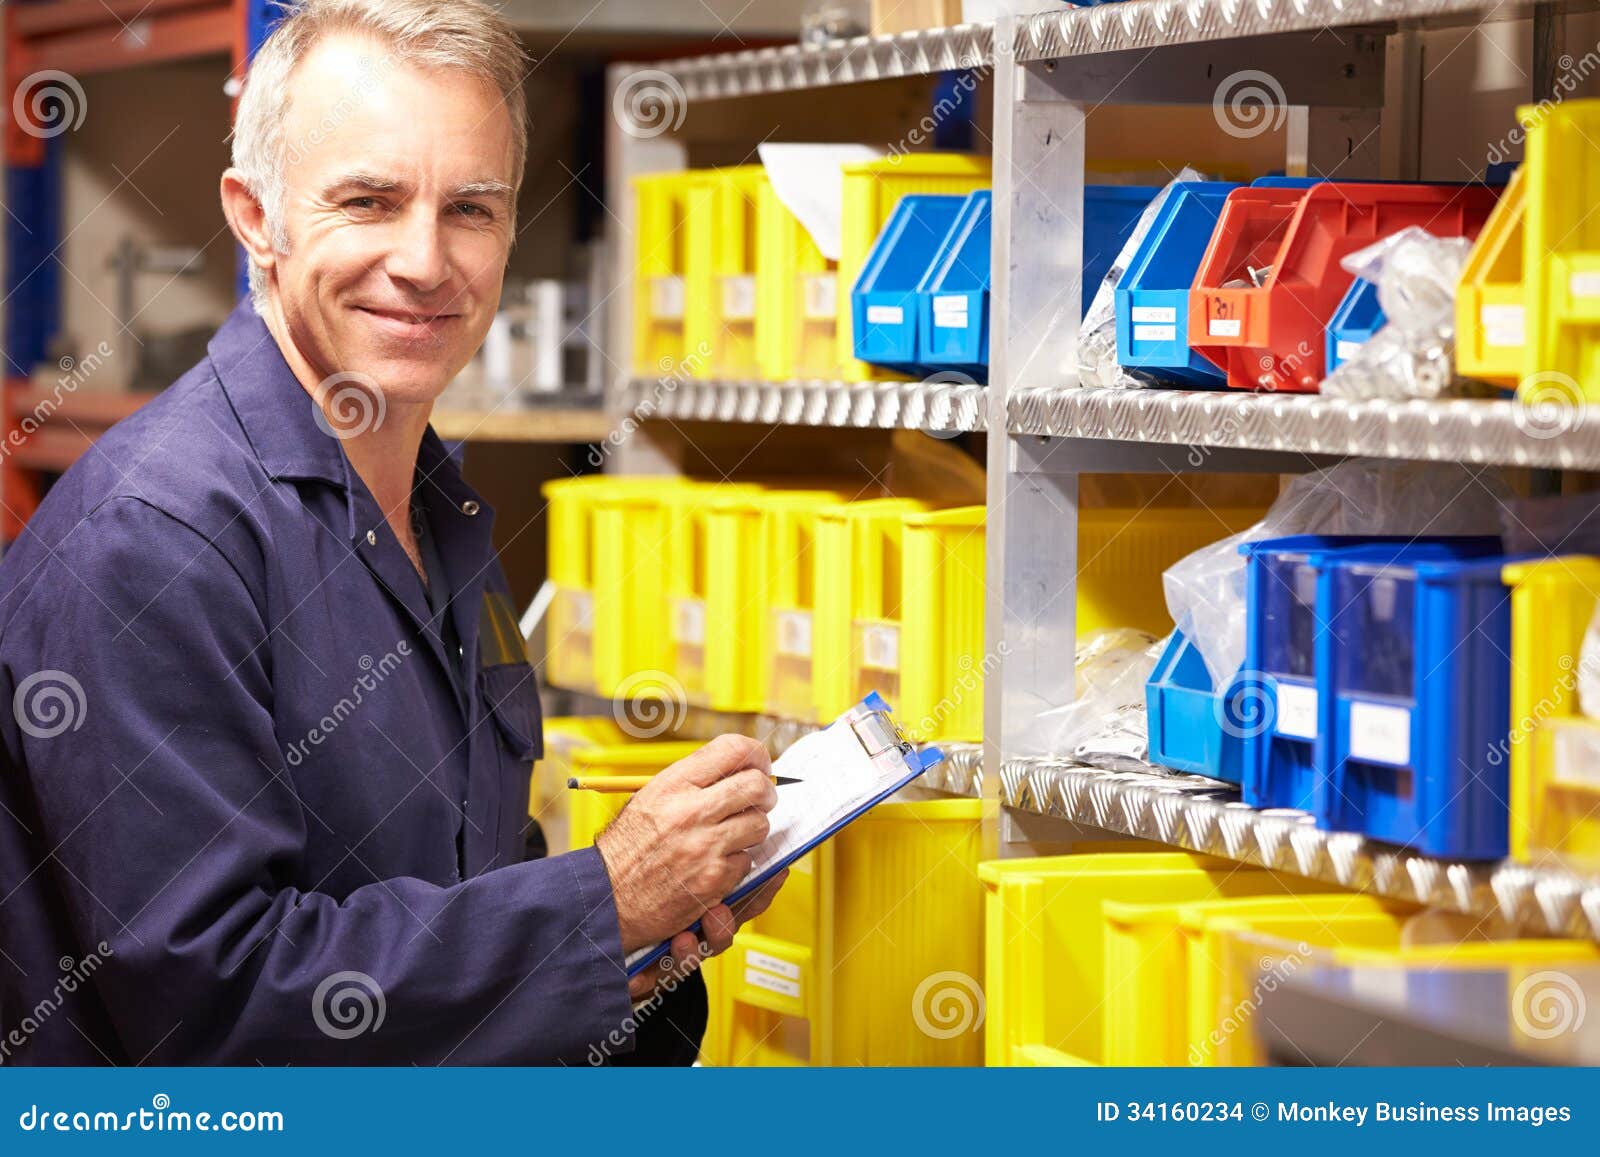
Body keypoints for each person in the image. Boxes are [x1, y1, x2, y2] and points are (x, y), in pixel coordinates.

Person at [0, 0, 782, 1065]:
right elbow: (215, 1012)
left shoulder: (435, 508)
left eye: (471, 207)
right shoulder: (156, 539)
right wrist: (601, 903)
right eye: (368, 201)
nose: (424, 261)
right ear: (254, 216)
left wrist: (645, 939)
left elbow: (452, 898)